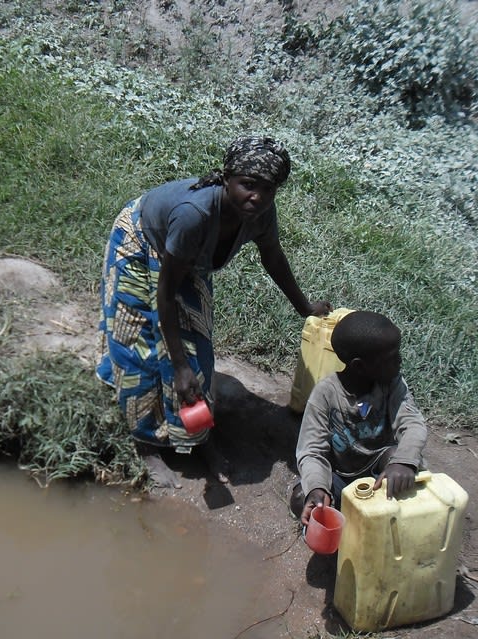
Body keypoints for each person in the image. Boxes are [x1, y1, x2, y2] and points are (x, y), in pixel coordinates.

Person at [97, 136, 331, 488]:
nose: (258, 197)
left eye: (268, 190)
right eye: (248, 185)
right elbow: (165, 294)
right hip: (142, 241)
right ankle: (145, 443)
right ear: (227, 179)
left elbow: (273, 256)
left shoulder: (260, 213)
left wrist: (305, 307)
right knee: (140, 346)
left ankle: (190, 435)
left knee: (198, 348)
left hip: (184, 258)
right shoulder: (195, 214)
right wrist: (177, 365)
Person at [293, 310, 427, 526]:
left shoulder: (392, 384)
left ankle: (389, 524)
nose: (400, 361)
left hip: (381, 470)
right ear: (360, 366)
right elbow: (311, 451)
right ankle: (342, 542)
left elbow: (413, 424)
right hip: (340, 475)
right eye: (392, 358)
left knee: (399, 457)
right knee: (303, 498)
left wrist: (403, 462)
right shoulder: (325, 395)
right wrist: (318, 488)